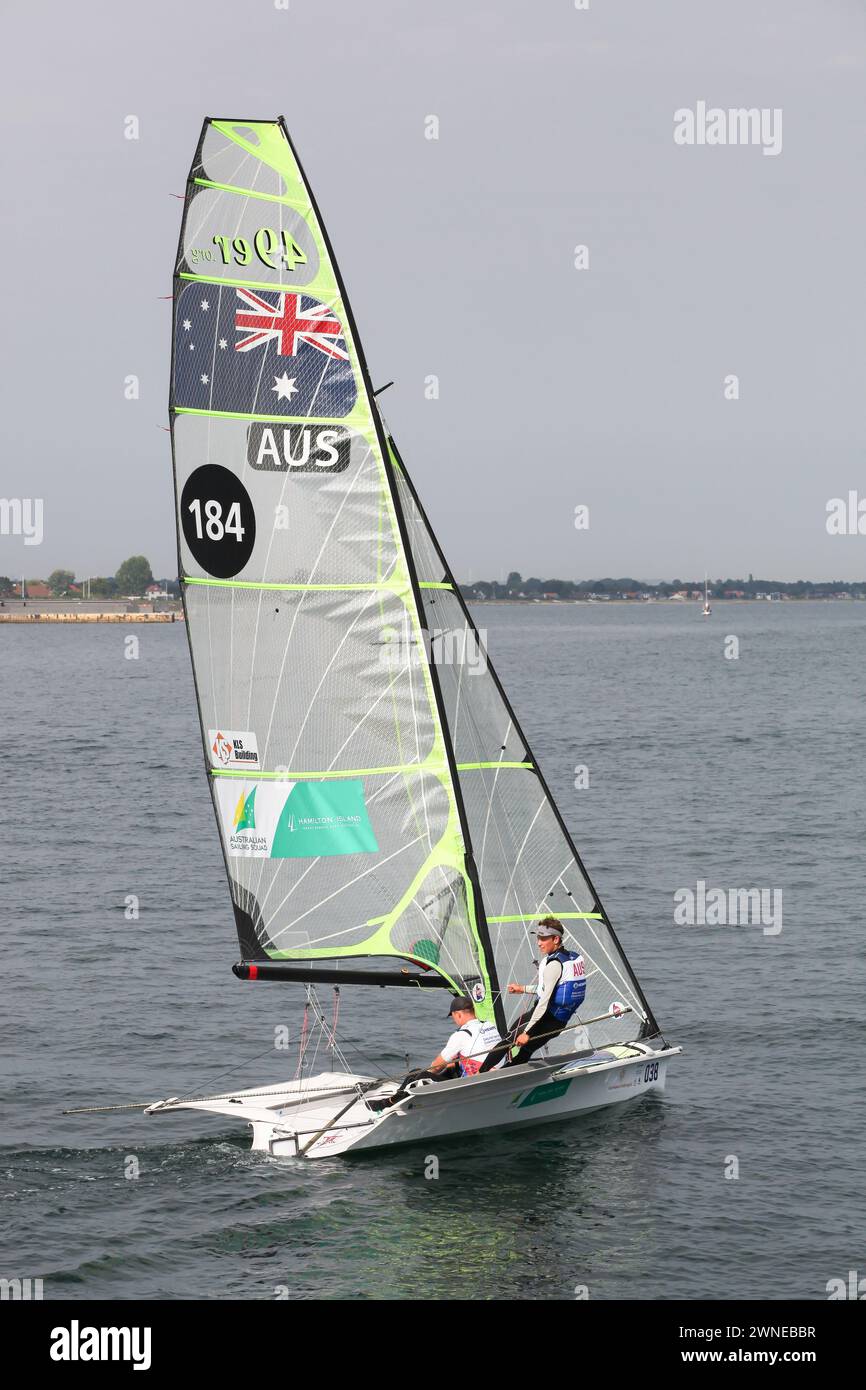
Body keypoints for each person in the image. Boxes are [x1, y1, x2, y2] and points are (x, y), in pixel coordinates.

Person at [505, 917, 586, 1064]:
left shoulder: (555, 963)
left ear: (556, 939)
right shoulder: (573, 958)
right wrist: (522, 988)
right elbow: (549, 990)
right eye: (538, 938)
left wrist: (527, 1033)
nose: (538, 943)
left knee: (509, 1044)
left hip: (546, 1020)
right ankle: (504, 1077)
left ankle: (485, 1077)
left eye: (542, 938)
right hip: (558, 1022)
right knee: (524, 1053)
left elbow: (544, 1000)